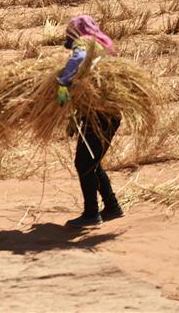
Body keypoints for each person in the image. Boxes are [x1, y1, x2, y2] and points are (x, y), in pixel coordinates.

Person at [56, 15, 124, 227]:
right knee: (92, 163)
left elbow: (78, 58)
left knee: (84, 163)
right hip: (104, 113)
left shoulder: (87, 44)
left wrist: (63, 82)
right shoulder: (102, 47)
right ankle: (112, 207)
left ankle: (91, 214)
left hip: (100, 115)